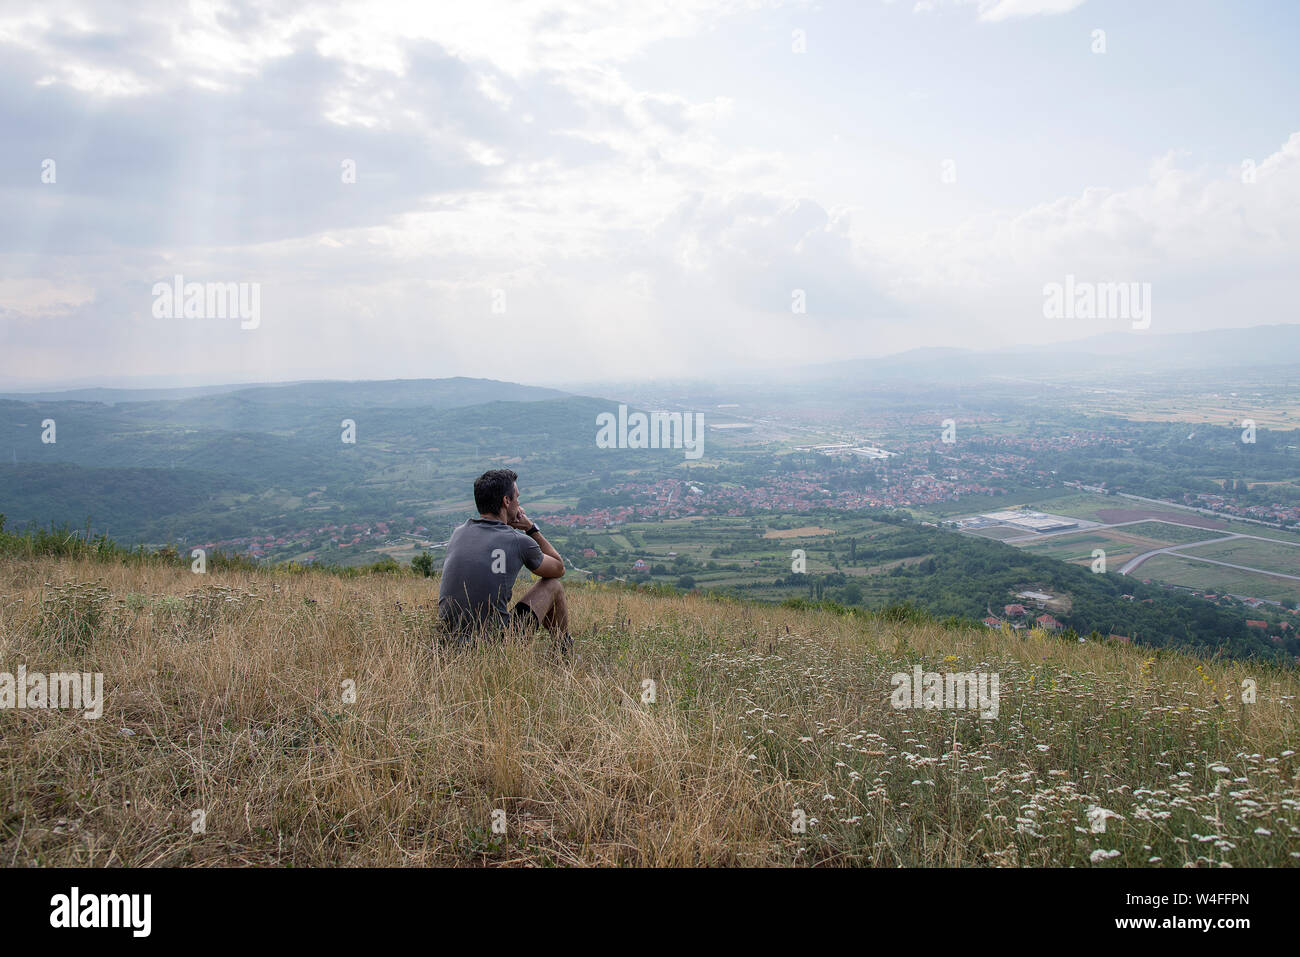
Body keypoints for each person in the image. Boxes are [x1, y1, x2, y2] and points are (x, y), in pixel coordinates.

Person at [437, 468, 571, 655]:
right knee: (553, 585)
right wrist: (530, 528)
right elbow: (558, 568)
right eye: (516, 497)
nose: (518, 503)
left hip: (448, 645)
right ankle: (564, 652)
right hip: (494, 648)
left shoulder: (458, 533)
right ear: (506, 501)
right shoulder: (517, 541)